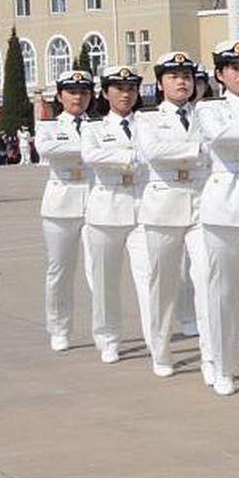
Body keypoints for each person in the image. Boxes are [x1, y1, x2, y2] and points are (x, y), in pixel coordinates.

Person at [194, 40, 239, 397]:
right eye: (235, 68)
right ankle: (222, 365)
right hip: (225, 206)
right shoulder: (209, 109)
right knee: (223, 293)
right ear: (220, 75)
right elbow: (223, 137)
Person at [134, 52, 207, 379]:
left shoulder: (207, 113)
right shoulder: (147, 118)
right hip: (163, 208)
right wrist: (199, 151)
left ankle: (212, 352)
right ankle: (161, 349)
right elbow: (156, 153)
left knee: (207, 279)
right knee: (162, 285)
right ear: (161, 83)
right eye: (174, 76)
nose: (182, 82)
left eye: (187, 76)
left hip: (202, 205)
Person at [80, 66, 146, 365]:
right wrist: (130, 156)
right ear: (105, 93)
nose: (125, 94)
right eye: (118, 88)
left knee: (150, 279)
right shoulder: (93, 128)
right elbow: (91, 156)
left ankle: (155, 337)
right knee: (105, 281)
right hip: (106, 211)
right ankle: (108, 338)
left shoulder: (149, 123)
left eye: (131, 88)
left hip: (143, 209)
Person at [36, 70, 96, 352]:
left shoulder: (98, 125)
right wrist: (92, 149)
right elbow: (47, 149)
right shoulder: (48, 125)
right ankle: (59, 327)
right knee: (59, 270)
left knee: (98, 270)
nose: (78, 98)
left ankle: (103, 327)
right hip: (61, 205)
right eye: (72, 92)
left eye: (84, 92)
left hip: (95, 201)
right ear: (60, 96)